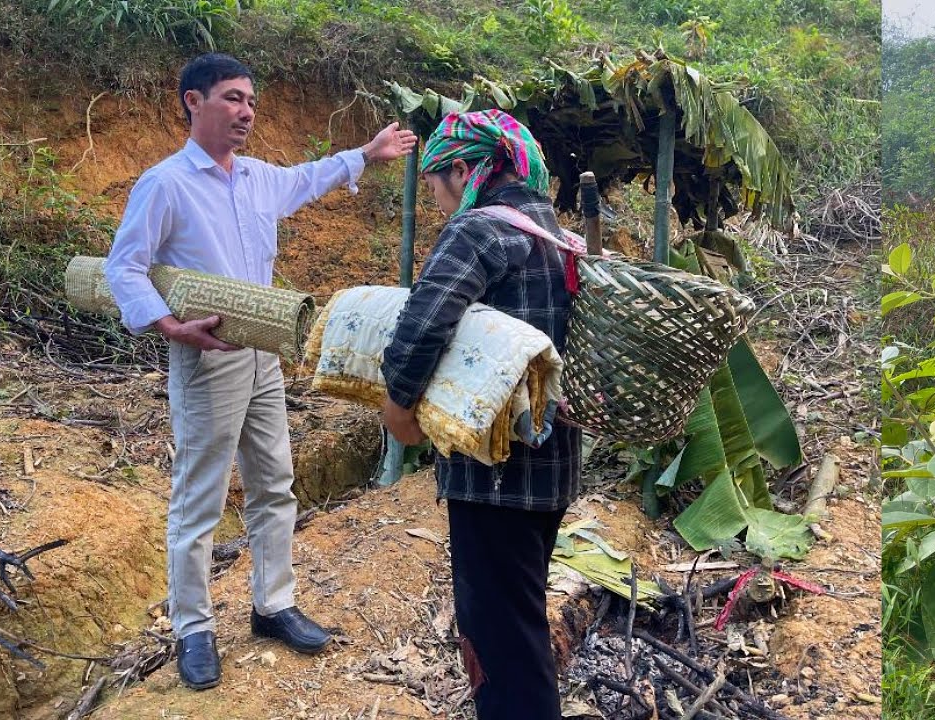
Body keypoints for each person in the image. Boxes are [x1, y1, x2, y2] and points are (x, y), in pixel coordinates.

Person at [103, 52, 416, 691]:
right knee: (200, 497)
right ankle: (193, 628)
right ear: (194, 101)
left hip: (262, 355)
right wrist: (169, 326)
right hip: (206, 356)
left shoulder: (256, 178)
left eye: (250, 101)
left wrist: (367, 152)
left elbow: (308, 178)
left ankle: (273, 605)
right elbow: (124, 267)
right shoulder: (164, 184)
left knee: (275, 482)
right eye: (232, 98)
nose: (246, 112)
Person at [379, 109, 581, 718]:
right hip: (550, 469)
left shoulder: (479, 230)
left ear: (464, 170)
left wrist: (398, 407)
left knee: (501, 641)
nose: (439, 200)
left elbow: (423, 322)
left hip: (494, 474)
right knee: (518, 620)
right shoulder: (551, 230)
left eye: (437, 183)